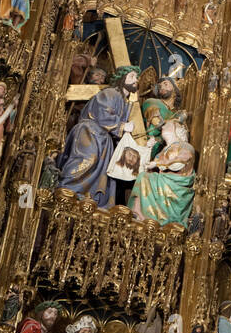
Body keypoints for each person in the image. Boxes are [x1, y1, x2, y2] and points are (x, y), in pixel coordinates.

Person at [55, 65, 139, 206]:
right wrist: (122, 126)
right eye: (132, 76)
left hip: (103, 138)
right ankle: (67, 190)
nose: (136, 80)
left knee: (101, 172)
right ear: (122, 78)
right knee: (87, 160)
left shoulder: (124, 101)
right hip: (90, 132)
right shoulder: (112, 93)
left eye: (136, 77)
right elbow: (101, 112)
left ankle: (87, 197)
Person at [127, 118, 196, 225]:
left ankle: (146, 216)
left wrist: (159, 164)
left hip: (175, 185)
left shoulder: (185, 146)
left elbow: (180, 161)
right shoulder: (164, 149)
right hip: (163, 181)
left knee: (144, 178)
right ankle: (138, 214)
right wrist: (149, 149)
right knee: (143, 176)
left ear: (176, 130)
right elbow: (150, 165)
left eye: (167, 125)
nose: (162, 127)